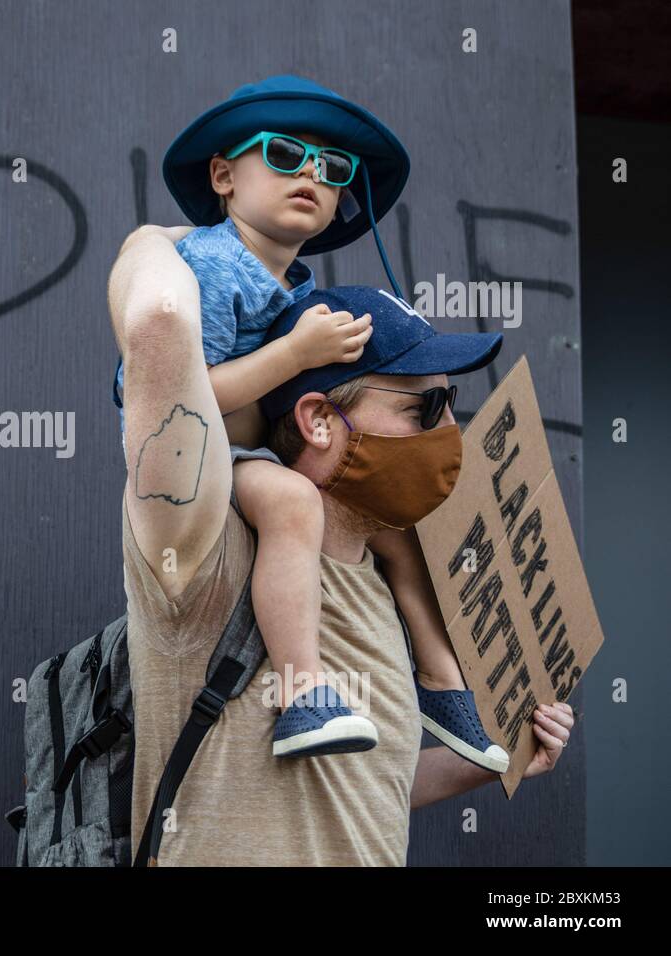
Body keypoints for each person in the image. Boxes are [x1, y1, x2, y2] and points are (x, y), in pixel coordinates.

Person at [108, 271, 573, 865]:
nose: (450, 431)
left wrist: (494, 760)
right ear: (319, 420)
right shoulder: (207, 551)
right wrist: (148, 243)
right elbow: (156, 330)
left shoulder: (392, 586)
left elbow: (359, 789)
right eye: (424, 407)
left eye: (451, 402)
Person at [112, 75, 506, 771]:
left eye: (333, 169)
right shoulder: (207, 265)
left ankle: (445, 687)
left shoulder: (295, 287)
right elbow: (177, 392)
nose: (313, 177)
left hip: (254, 447)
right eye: (287, 155)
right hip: (208, 460)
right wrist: (293, 353)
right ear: (224, 175)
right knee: (294, 500)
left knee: (400, 538)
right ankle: (302, 693)